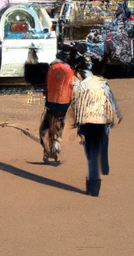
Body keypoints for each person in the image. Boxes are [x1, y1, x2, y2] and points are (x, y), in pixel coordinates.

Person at [71, 61, 122, 196]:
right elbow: (111, 100)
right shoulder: (102, 83)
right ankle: (94, 178)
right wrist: (118, 114)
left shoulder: (79, 86)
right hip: (103, 122)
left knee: (91, 154)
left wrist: (78, 126)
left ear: (79, 75)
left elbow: (77, 107)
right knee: (99, 151)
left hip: (87, 122)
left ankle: (93, 184)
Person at [39, 57, 76, 165]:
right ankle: (56, 147)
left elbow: (47, 87)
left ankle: (46, 152)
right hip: (64, 103)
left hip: (51, 102)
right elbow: (73, 86)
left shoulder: (51, 70)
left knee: (45, 127)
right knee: (59, 123)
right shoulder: (69, 70)